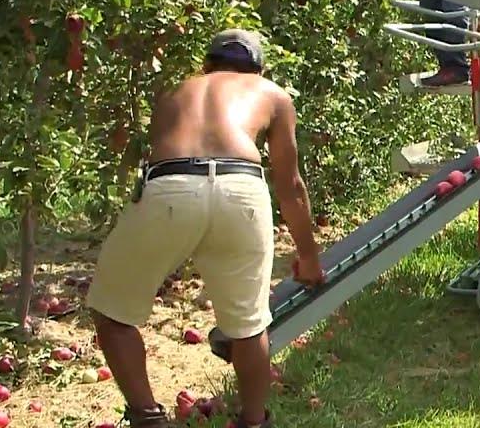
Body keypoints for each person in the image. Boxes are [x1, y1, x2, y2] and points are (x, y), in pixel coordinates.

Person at [85, 29, 325, 428]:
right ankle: (253, 421)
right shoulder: (272, 94)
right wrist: (309, 256)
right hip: (241, 189)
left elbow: (165, 151)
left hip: (171, 184)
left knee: (113, 313)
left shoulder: (175, 92)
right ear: (259, 70)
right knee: (249, 326)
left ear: (207, 65)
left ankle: (147, 418)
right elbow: (290, 185)